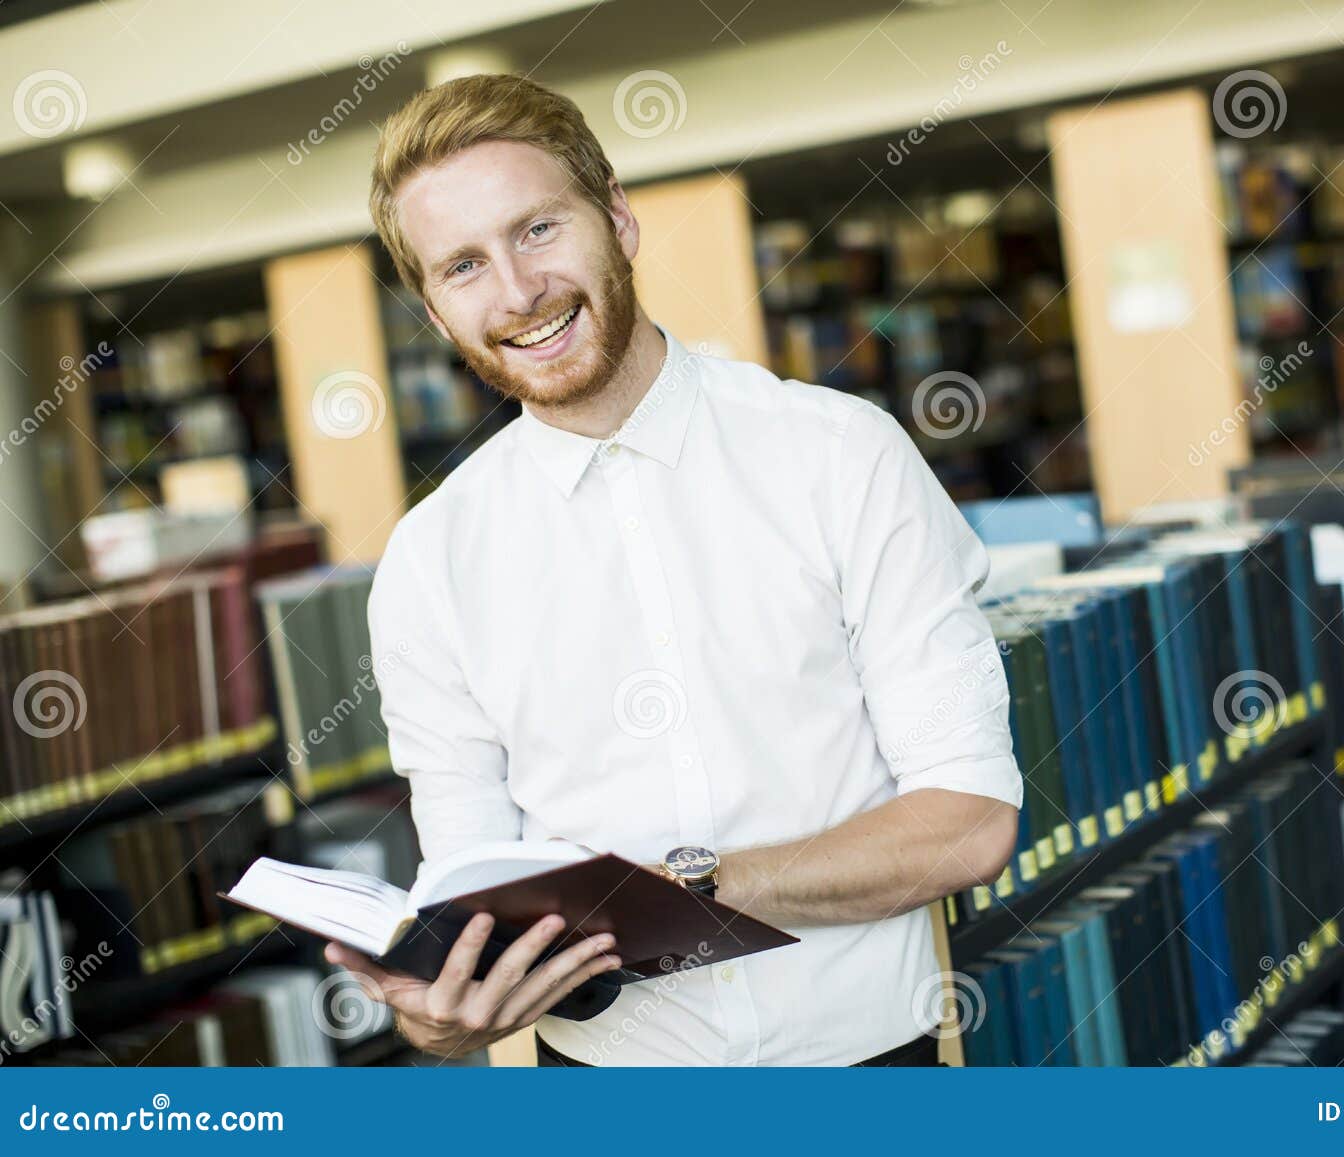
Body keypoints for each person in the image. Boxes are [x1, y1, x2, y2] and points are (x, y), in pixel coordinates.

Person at [326, 73, 1022, 1066]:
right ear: (435, 312)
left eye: (537, 230)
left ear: (617, 220)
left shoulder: (838, 455)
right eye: (464, 265)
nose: (518, 292)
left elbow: (967, 823)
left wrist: (689, 885)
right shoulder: (430, 563)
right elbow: (472, 879)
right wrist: (437, 1011)